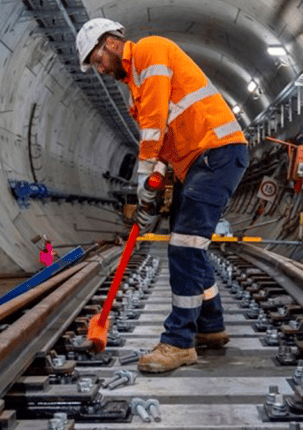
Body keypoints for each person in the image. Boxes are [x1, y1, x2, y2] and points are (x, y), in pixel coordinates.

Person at [76, 18, 249, 373]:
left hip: (215, 151)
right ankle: (211, 326)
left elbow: (154, 123)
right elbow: (164, 145)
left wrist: (142, 179)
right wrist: (150, 196)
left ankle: (178, 342)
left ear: (109, 43)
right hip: (194, 161)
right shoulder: (134, 91)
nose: (99, 68)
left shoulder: (149, 51)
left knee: (185, 246)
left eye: (96, 59)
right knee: (188, 244)